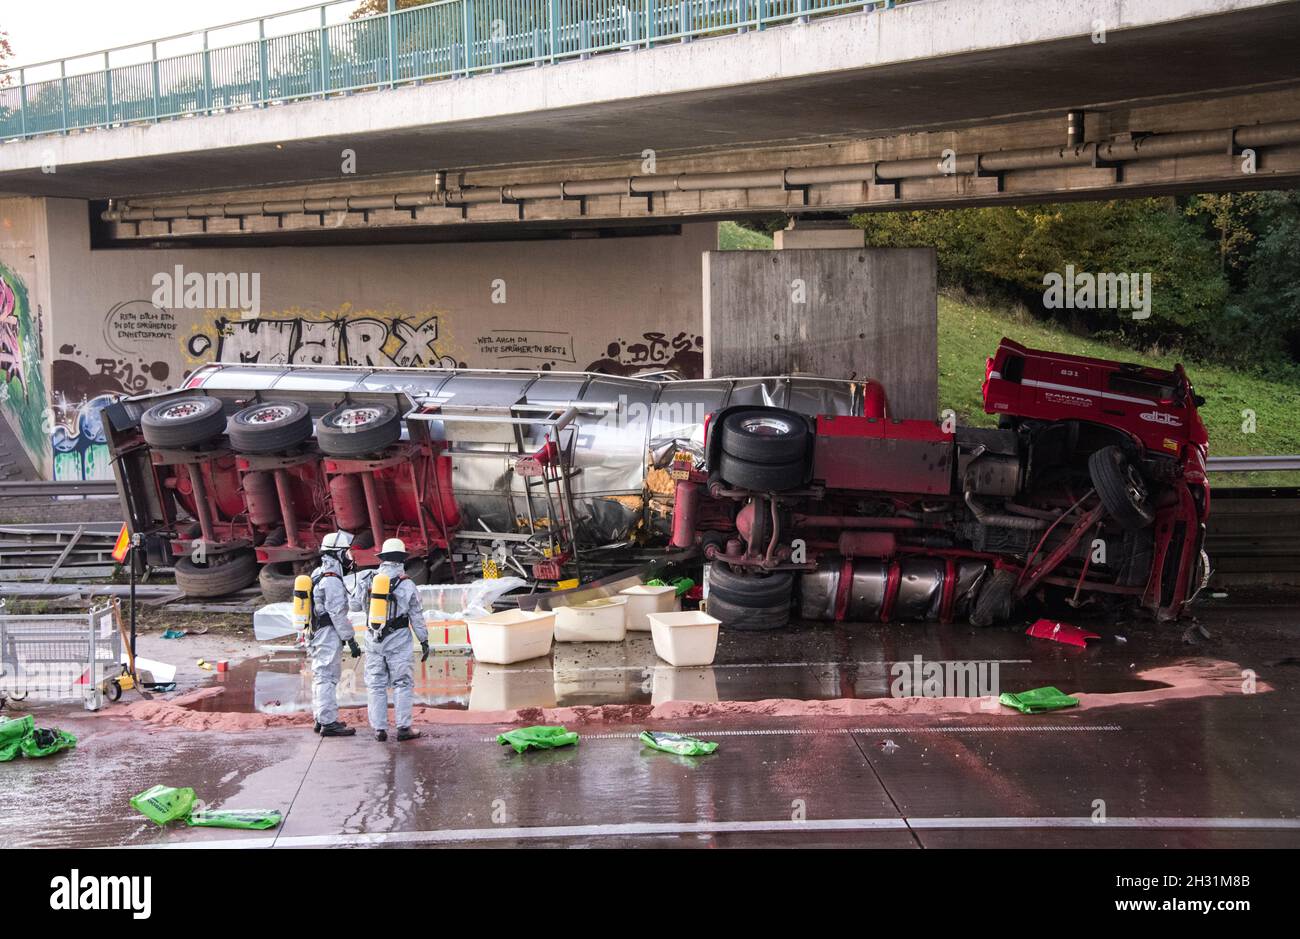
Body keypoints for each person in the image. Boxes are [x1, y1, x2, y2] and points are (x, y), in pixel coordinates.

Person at [352, 538, 428, 742]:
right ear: (402, 559)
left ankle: (379, 729)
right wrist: (424, 640)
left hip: (373, 639)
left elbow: (354, 607)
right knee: (402, 683)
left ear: (383, 558)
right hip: (398, 639)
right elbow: (416, 616)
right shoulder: (407, 584)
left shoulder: (368, 579)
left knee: (376, 684)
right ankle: (404, 728)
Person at [308, 531, 362, 738]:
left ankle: (320, 718)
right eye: (346, 553)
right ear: (337, 554)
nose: (349, 558)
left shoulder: (318, 573)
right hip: (328, 632)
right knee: (327, 677)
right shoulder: (331, 579)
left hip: (318, 631)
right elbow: (337, 612)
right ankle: (328, 723)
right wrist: (350, 638)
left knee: (320, 675)